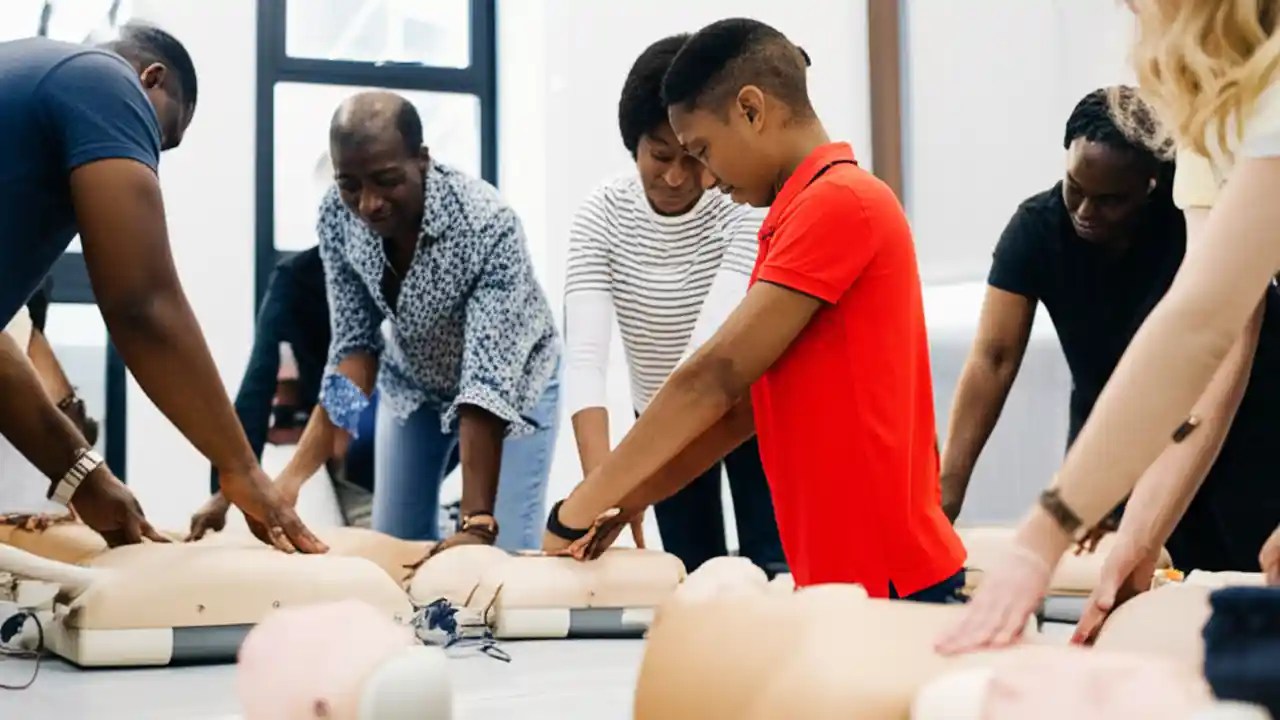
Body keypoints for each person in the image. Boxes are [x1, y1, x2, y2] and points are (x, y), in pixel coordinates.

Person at [543, 18, 967, 602]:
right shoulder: (792, 217)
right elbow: (744, 410)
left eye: (704, 152)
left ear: (751, 110)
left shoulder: (841, 203)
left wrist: (577, 508)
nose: (708, 179)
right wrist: (631, 497)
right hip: (839, 571)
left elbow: (714, 376)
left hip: (886, 572)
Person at [937, 0, 1280, 654]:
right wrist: (1092, 536)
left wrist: (1046, 537)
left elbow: (1221, 330)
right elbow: (1200, 322)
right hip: (1153, 432)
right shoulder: (1223, 124)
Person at [0, 25, 323, 552]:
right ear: (151, 79)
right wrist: (241, 470)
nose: (148, 156)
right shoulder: (104, 80)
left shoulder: (24, 78)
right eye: (160, 139)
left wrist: (85, 476)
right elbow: (142, 305)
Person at [259, 91, 561, 555]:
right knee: (396, 550)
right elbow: (354, 354)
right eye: (351, 185)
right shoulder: (338, 217)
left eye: (385, 180)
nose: (368, 204)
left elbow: (485, 383)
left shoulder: (486, 225)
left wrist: (477, 520)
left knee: (501, 559)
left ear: (422, 160)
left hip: (516, 385)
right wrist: (291, 480)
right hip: (415, 384)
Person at [564, 33, 787, 576]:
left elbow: (710, 352)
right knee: (689, 569)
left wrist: (627, 478)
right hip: (660, 418)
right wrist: (600, 493)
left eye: (692, 158)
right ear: (633, 144)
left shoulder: (742, 208)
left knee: (773, 564)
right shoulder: (601, 215)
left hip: (744, 410)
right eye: (659, 156)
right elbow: (585, 363)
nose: (674, 177)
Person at [189, 247, 379, 536]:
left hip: (405, 407)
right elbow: (259, 382)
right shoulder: (298, 278)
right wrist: (224, 488)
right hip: (344, 416)